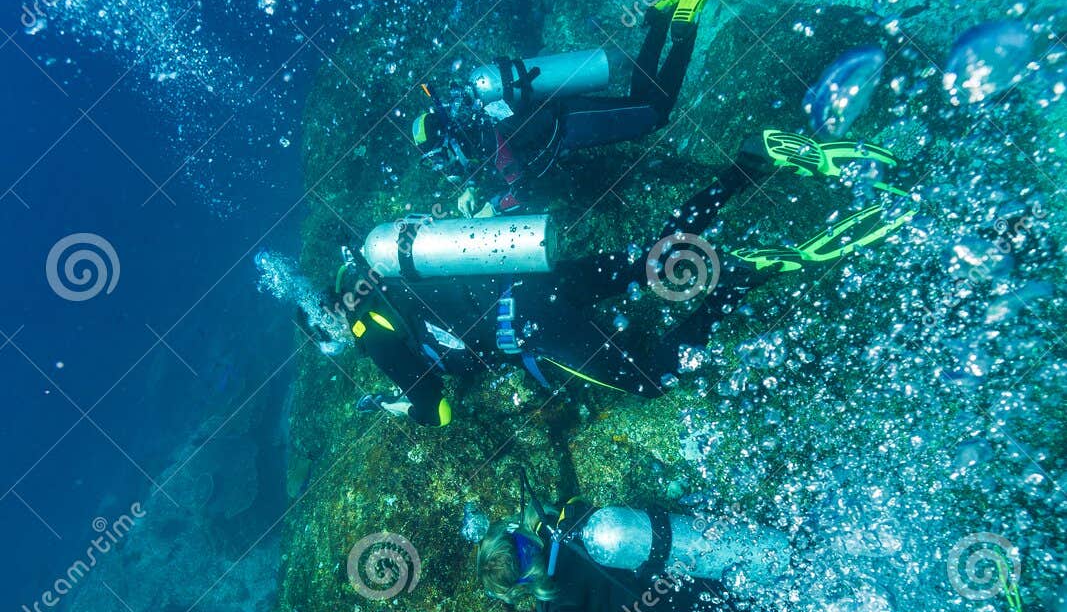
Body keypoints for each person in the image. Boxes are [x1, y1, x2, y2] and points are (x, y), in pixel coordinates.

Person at [333, 128, 913, 427]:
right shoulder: (400, 266)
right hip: (535, 275)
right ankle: (747, 164)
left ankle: (736, 279)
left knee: (652, 380)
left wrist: (394, 403)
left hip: (533, 325)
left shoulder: (369, 328)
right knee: (657, 258)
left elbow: (435, 409)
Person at [413, 0, 744, 213]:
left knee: (655, 114)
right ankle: (657, 22)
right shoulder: (474, 120)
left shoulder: (482, 139)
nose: (444, 164)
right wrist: (473, 187)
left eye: (439, 156)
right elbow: (491, 153)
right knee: (639, 101)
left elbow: (526, 187)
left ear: (447, 138)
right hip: (566, 113)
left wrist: (497, 206)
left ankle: (685, 23)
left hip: (572, 122)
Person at [463, 490, 777, 612]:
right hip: (698, 554)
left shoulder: (563, 607)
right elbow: (573, 504)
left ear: (522, 585)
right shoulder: (566, 524)